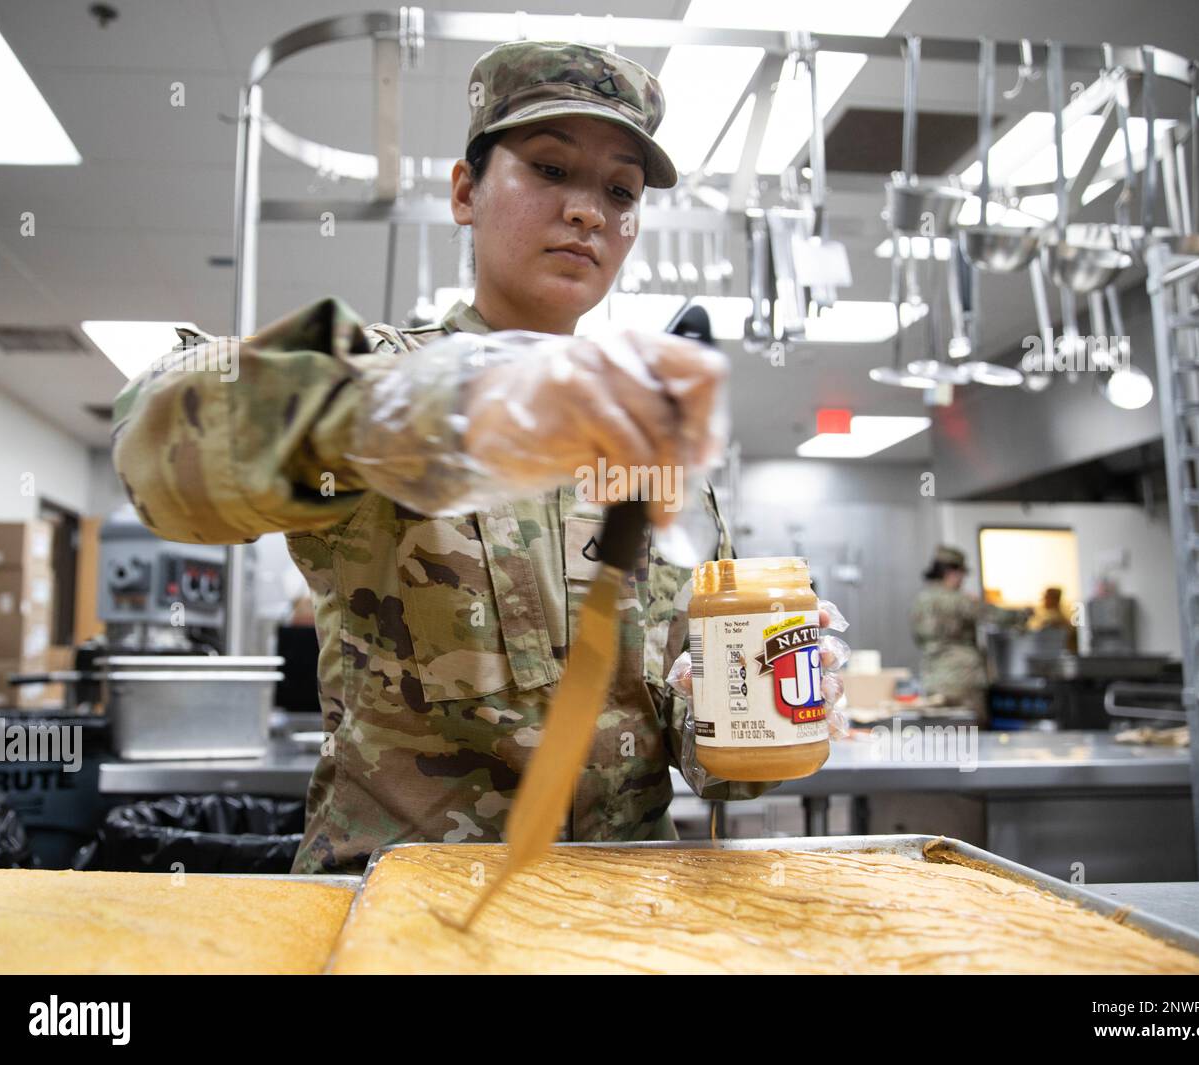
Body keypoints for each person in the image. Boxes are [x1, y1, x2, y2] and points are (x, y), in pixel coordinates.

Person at [112, 40, 843, 875]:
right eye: (549, 169)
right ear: (466, 192)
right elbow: (160, 453)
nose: (587, 212)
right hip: (407, 919)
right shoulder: (380, 374)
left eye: (618, 191)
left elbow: (696, 743)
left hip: (620, 916)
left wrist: (774, 692)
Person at [909, 545, 1029, 727]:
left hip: (932, 678)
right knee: (973, 738)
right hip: (964, 679)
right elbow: (994, 616)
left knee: (942, 736)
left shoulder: (920, 600)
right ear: (952, 572)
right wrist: (1023, 615)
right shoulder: (959, 599)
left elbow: (918, 639)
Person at [1028, 586, 1079, 653]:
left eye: (1046, 597)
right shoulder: (1045, 615)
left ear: (1055, 599)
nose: (1043, 600)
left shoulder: (1057, 618)